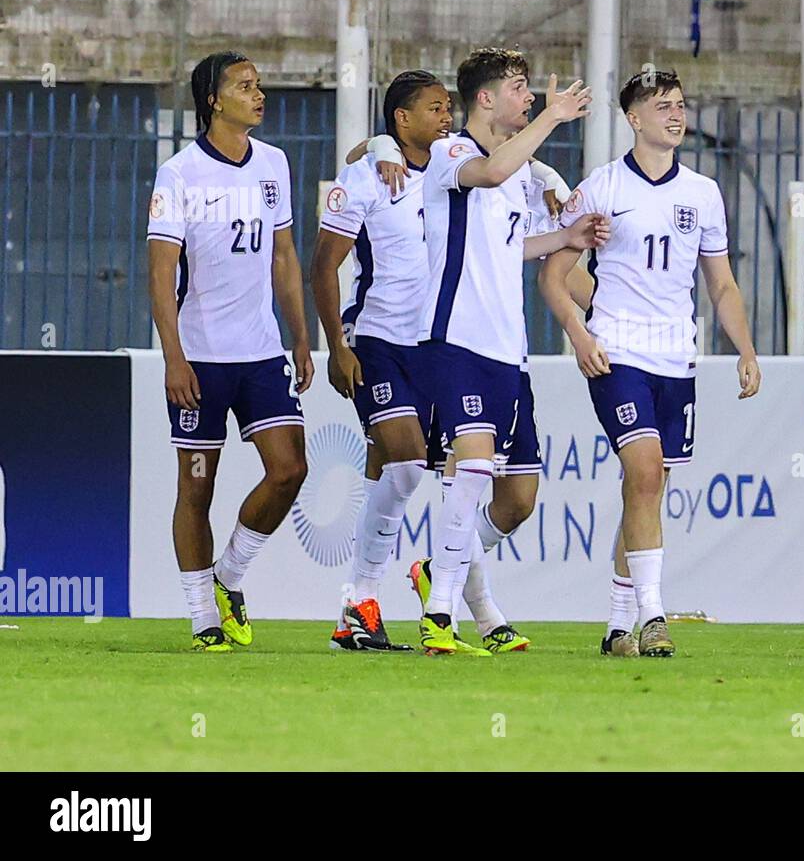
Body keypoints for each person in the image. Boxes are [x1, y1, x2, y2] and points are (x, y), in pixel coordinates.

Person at [540, 69, 761, 658]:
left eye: (681, 104)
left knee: (648, 489)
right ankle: (654, 615)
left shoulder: (702, 193)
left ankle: (617, 626)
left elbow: (721, 285)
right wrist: (580, 334)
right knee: (643, 472)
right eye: (661, 106)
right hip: (617, 351)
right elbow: (553, 275)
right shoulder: (602, 187)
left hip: (676, 358)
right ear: (633, 119)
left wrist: (744, 348)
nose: (675, 114)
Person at [411, 47, 608, 654]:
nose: (529, 98)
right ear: (487, 99)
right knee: (470, 468)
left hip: (507, 349)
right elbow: (490, 174)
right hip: (455, 340)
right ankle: (446, 612)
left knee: (517, 499)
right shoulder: (453, 153)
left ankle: (439, 579)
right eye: (521, 88)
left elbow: (512, 242)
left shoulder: (518, 169)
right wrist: (552, 118)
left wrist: (566, 237)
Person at [147, 51, 313, 652]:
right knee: (197, 486)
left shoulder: (274, 164)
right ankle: (202, 617)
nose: (258, 94)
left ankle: (228, 577)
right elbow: (161, 273)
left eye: (260, 84)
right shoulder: (181, 175)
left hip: (262, 353)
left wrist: (301, 335)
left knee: (290, 469)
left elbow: (284, 258)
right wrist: (173, 356)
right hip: (200, 357)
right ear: (213, 100)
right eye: (245, 86)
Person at [312, 69, 452, 651]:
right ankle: (364, 597)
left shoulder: (452, 170)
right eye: (436, 108)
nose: (448, 117)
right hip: (377, 341)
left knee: (401, 472)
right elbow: (322, 265)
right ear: (402, 118)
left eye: (450, 107)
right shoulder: (369, 175)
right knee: (407, 464)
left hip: (439, 346)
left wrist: (545, 175)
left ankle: (354, 615)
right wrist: (335, 346)